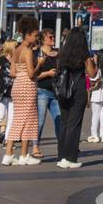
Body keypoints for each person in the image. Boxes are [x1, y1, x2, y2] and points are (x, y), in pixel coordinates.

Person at [55, 27, 97, 169]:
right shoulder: (84, 54)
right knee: (74, 124)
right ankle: (70, 158)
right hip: (78, 89)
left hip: (63, 90)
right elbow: (92, 74)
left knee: (64, 123)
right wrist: (93, 62)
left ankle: (61, 156)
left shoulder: (63, 53)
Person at [2, 16, 41, 167]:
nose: (37, 38)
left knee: (18, 121)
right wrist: (40, 64)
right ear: (28, 34)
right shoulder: (28, 51)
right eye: (36, 35)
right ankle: (24, 155)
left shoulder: (16, 49)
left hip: (17, 86)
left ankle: (9, 154)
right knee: (29, 120)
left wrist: (21, 71)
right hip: (28, 86)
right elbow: (32, 74)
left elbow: (12, 72)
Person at [34, 29, 61, 157]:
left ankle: (63, 147)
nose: (53, 39)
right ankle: (35, 147)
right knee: (40, 121)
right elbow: (33, 75)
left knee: (60, 120)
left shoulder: (58, 54)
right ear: (43, 39)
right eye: (50, 37)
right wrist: (48, 73)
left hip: (56, 92)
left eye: (53, 36)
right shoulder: (38, 54)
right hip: (42, 91)